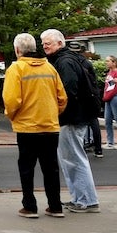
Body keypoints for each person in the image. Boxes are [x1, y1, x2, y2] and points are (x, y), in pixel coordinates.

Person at [3, 32, 67, 219]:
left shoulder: (16, 69)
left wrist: (12, 116)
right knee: (51, 168)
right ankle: (55, 206)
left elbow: (11, 100)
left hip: (27, 127)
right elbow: (62, 97)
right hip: (50, 126)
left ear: (17, 50)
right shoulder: (49, 68)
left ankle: (30, 206)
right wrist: (53, 113)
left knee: (26, 168)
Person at [40, 29, 100, 212]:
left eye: (47, 43)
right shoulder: (71, 59)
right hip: (77, 115)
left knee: (73, 159)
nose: (44, 46)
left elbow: (68, 91)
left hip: (71, 117)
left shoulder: (64, 62)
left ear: (59, 43)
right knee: (71, 158)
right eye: (43, 43)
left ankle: (86, 201)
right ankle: (80, 198)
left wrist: (58, 112)